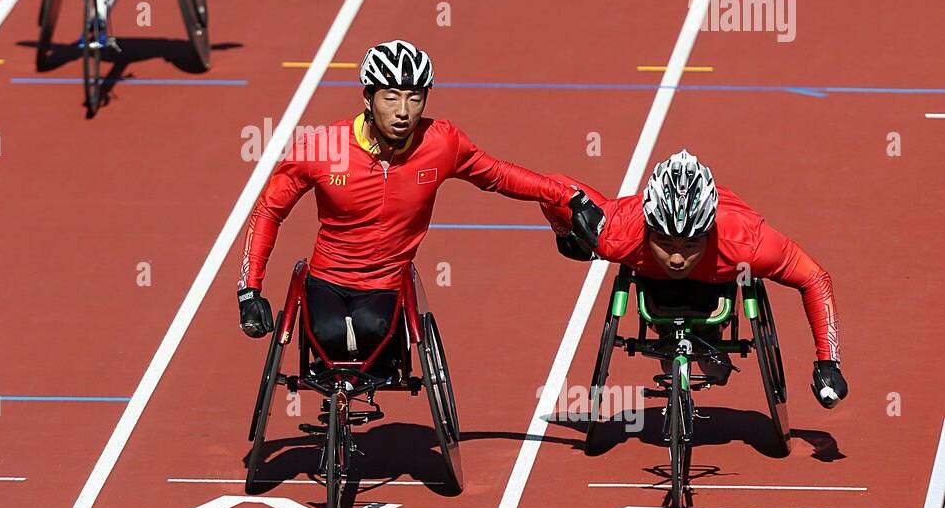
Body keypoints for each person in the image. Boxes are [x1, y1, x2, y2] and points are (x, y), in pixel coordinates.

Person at [236, 39, 605, 367]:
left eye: (414, 98)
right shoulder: (322, 147)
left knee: (373, 332)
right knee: (329, 336)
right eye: (391, 96)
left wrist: (568, 197)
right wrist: (250, 290)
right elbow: (270, 210)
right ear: (367, 97)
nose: (403, 111)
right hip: (327, 278)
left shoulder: (441, 143)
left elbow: (499, 175)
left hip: (386, 282)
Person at [541, 149, 848, 408]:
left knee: (713, 351)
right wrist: (565, 232)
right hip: (655, 285)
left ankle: (709, 338)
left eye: (689, 243)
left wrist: (828, 362)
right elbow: (550, 189)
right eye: (665, 242)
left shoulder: (750, 241)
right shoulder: (619, 229)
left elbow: (815, 279)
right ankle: (668, 334)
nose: (676, 257)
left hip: (716, 282)